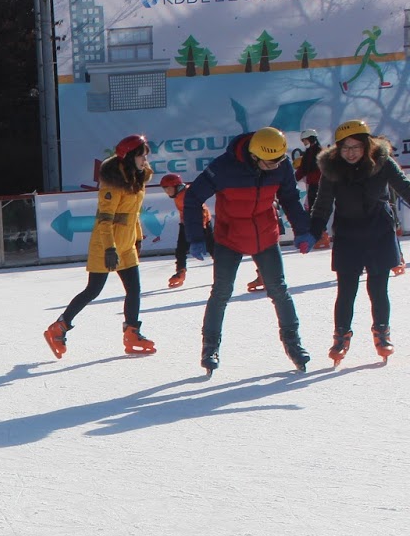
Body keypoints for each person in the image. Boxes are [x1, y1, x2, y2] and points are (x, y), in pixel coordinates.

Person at [183, 126, 315, 375]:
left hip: (265, 235)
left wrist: (302, 229)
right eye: (268, 162)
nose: (275, 166)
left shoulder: (281, 165)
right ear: (254, 156)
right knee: (221, 293)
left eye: (278, 161)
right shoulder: (223, 167)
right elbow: (192, 198)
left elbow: (289, 198)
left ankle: (293, 344)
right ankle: (210, 346)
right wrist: (196, 237)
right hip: (229, 238)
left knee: (279, 290)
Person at [42, 134, 156, 359]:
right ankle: (59, 327)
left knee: (134, 289)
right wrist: (109, 249)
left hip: (126, 244)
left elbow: (133, 215)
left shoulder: (137, 180)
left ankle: (132, 333)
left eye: (145, 156)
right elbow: (105, 220)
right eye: (142, 155)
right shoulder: (112, 185)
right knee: (93, 290)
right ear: (130, 156)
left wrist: (138, 238)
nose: (145, 160)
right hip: (106, 245)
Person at [309, 118, 410, 365]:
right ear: (338, 149)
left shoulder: (383, 163)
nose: (350, 153)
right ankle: (341, 336)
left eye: (356, 147)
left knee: (378, 287)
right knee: (346, 289)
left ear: (367, 146)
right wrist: (312, 232)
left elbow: (405, 187)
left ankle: (382, 334)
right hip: (347, 233)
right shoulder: (331, 169)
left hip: (378, 231)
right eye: (345, 148)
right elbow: (322, 205)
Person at [159, 172, 209, 288]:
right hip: (186, 223)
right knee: (180, 249)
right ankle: (180, 272)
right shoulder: (178, 194)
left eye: (168, 188)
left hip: (202, 223)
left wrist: (202, 229)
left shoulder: (188, 194)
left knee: (213, 249)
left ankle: (223, 273)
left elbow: (202, 212)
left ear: (176, 186)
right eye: (164, 189)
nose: (166, 192)